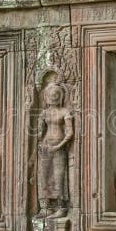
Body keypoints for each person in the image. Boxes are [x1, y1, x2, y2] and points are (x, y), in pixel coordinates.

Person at [37, 82, 73, 218]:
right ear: (46, 96)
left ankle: (61, 207)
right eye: (51, 95)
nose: (53, 97)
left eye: (56, 94)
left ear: (61, 96)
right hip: (45, 146)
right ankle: (45, 207)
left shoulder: (65, 112)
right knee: (44, 175)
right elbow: (40, 132)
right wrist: (39, 141)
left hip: (59, 147)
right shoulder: (44, 112)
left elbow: (70, 133)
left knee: (59, 176)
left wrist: (59, 145)